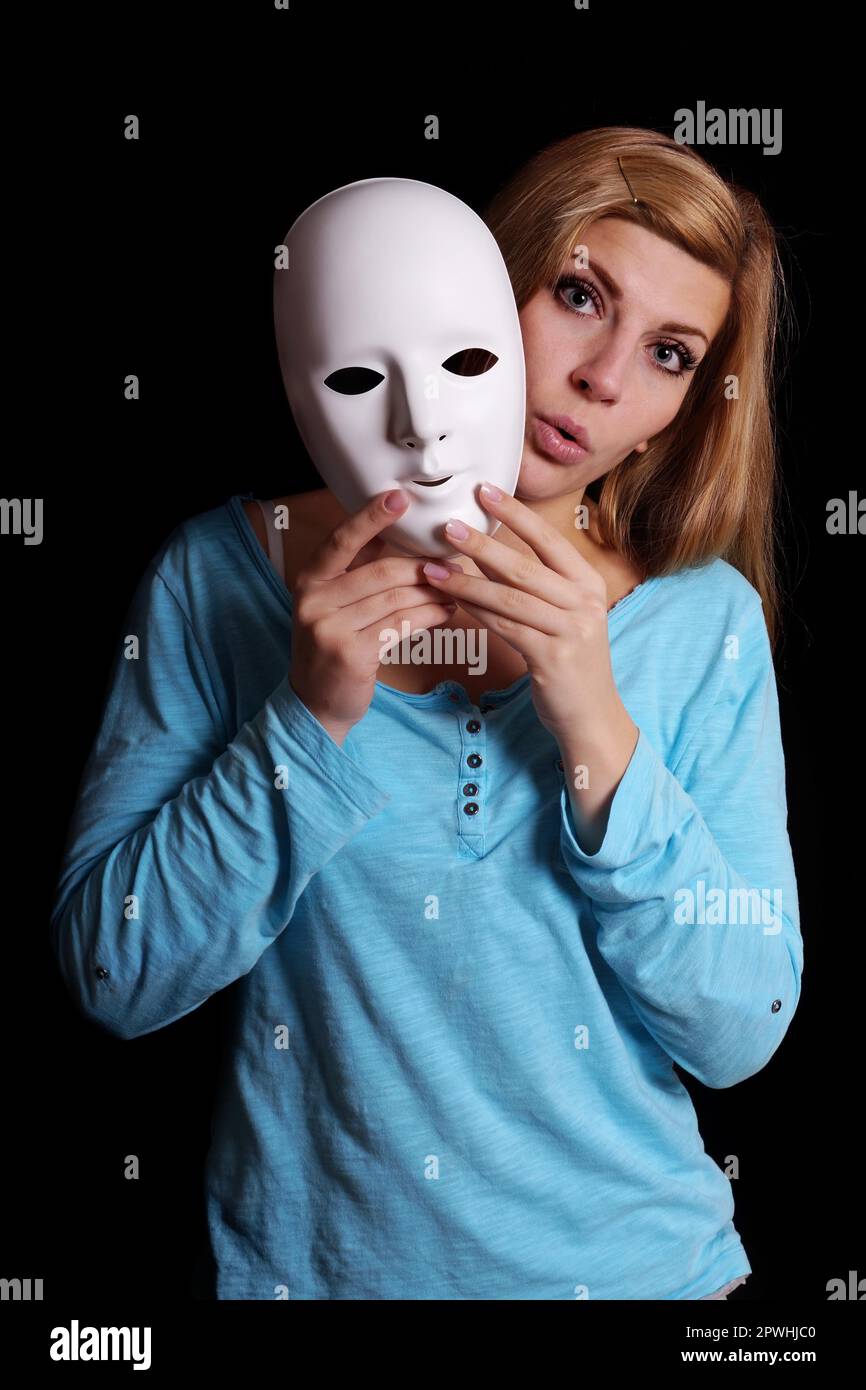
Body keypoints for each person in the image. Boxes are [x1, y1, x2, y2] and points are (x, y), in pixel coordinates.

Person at [49, 127, 803, 1300]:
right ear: (470, 278)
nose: (602, 379)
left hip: (646, 1279)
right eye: (575, 295)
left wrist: (594, 724)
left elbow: (740, 1027)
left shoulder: (701, 623)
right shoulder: (217, 577)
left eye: (666, 353)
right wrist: (305, 720)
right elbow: (113, 971)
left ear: (676, 411)